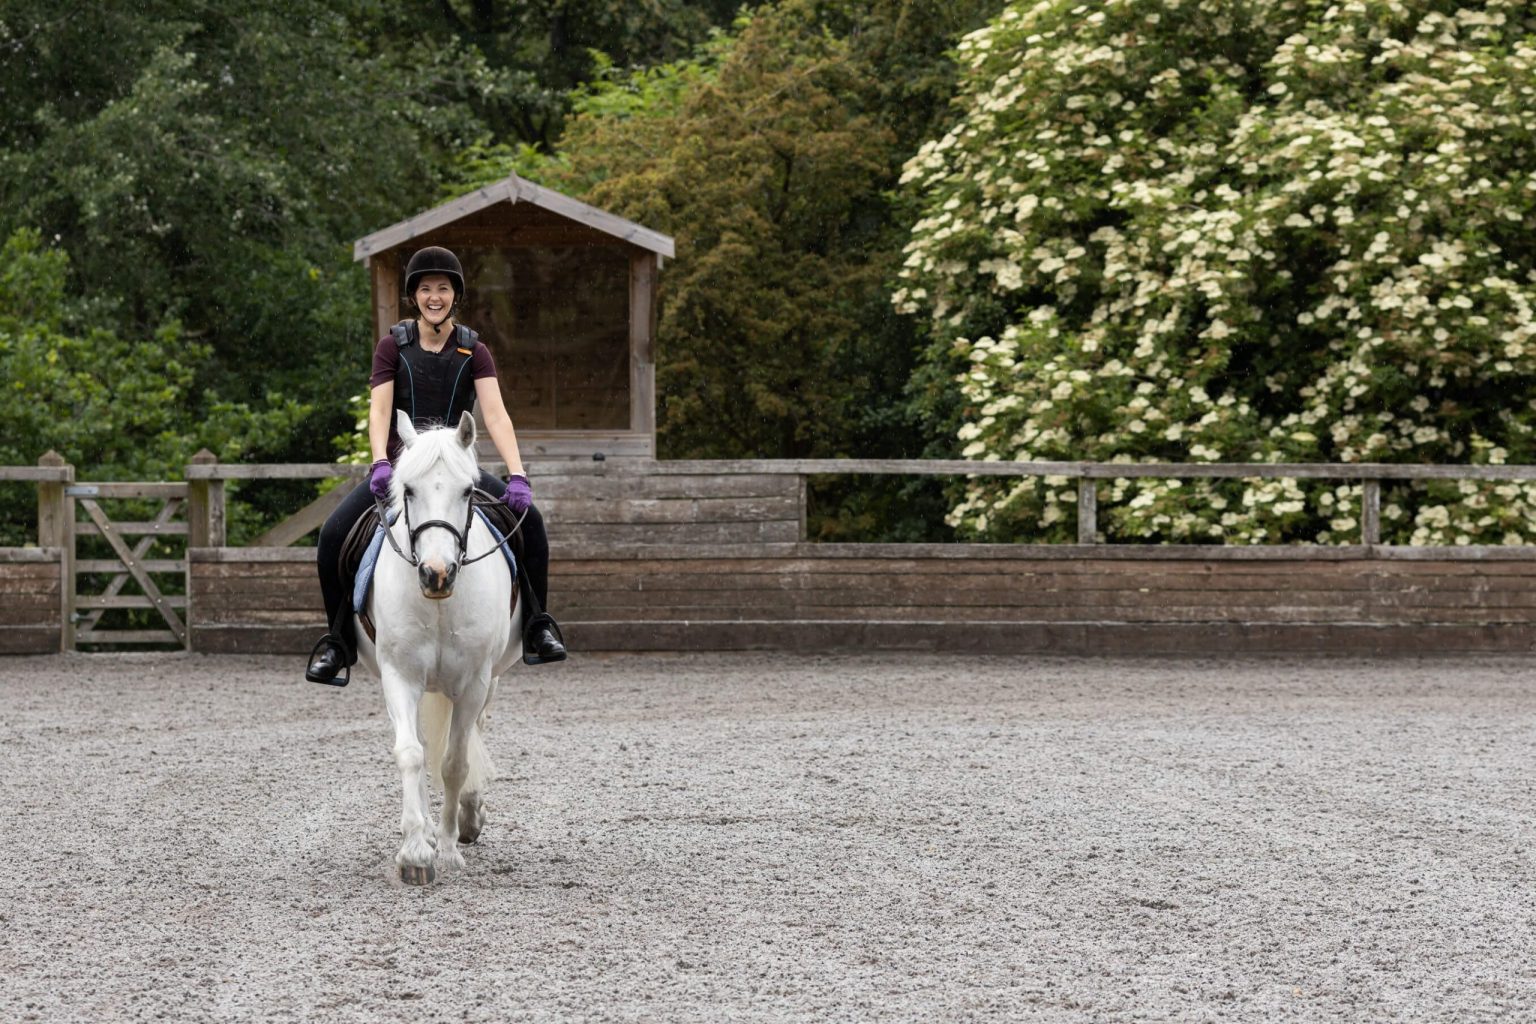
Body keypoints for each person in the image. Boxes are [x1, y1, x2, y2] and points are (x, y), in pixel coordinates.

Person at [305, 245, 566, 684]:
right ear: (414, 296)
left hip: (456, 466)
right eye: (425, 289)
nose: (434, 296)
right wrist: (381, 462)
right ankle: (338, 642)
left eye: (443, 289)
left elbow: (496, 414)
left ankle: (537, 623)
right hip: (405, 469)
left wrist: (517, 473)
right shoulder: (392, 347)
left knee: (532, 524)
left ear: (454, 296)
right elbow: (379, 412)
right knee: (332, 535)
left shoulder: (474, 351)